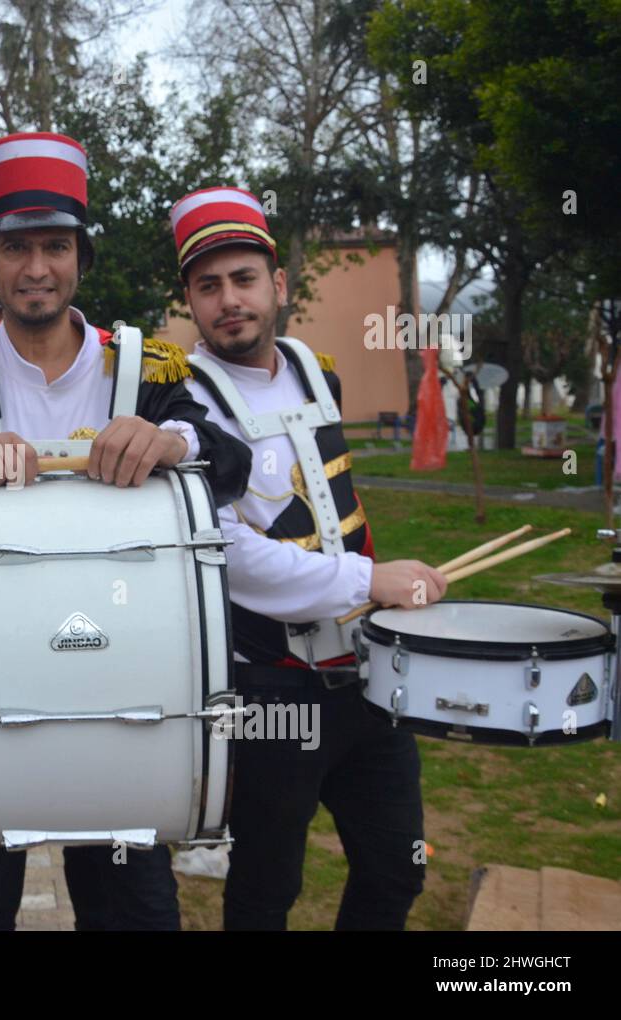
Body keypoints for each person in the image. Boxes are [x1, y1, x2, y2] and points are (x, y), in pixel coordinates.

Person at [0, 132, 252, 931]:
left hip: (119, 672)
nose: (35, 268)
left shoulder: (142, 368)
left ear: (81, 257)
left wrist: (175, 443)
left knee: (135, 906)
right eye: (16, 248)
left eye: (54, 246)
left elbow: (231, 464)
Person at [171, 186, 444, 930]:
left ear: (278, 284)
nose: (230, 300)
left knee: (395, 871)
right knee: (265, 890)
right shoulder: (183, 405)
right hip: (271, 693)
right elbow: (225, 554)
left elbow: (332, 504)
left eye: (244, 278)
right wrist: (364, 579)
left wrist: (390, 580)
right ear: (191, 302)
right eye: (209, 285)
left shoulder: (316, 371)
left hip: (370, 677)